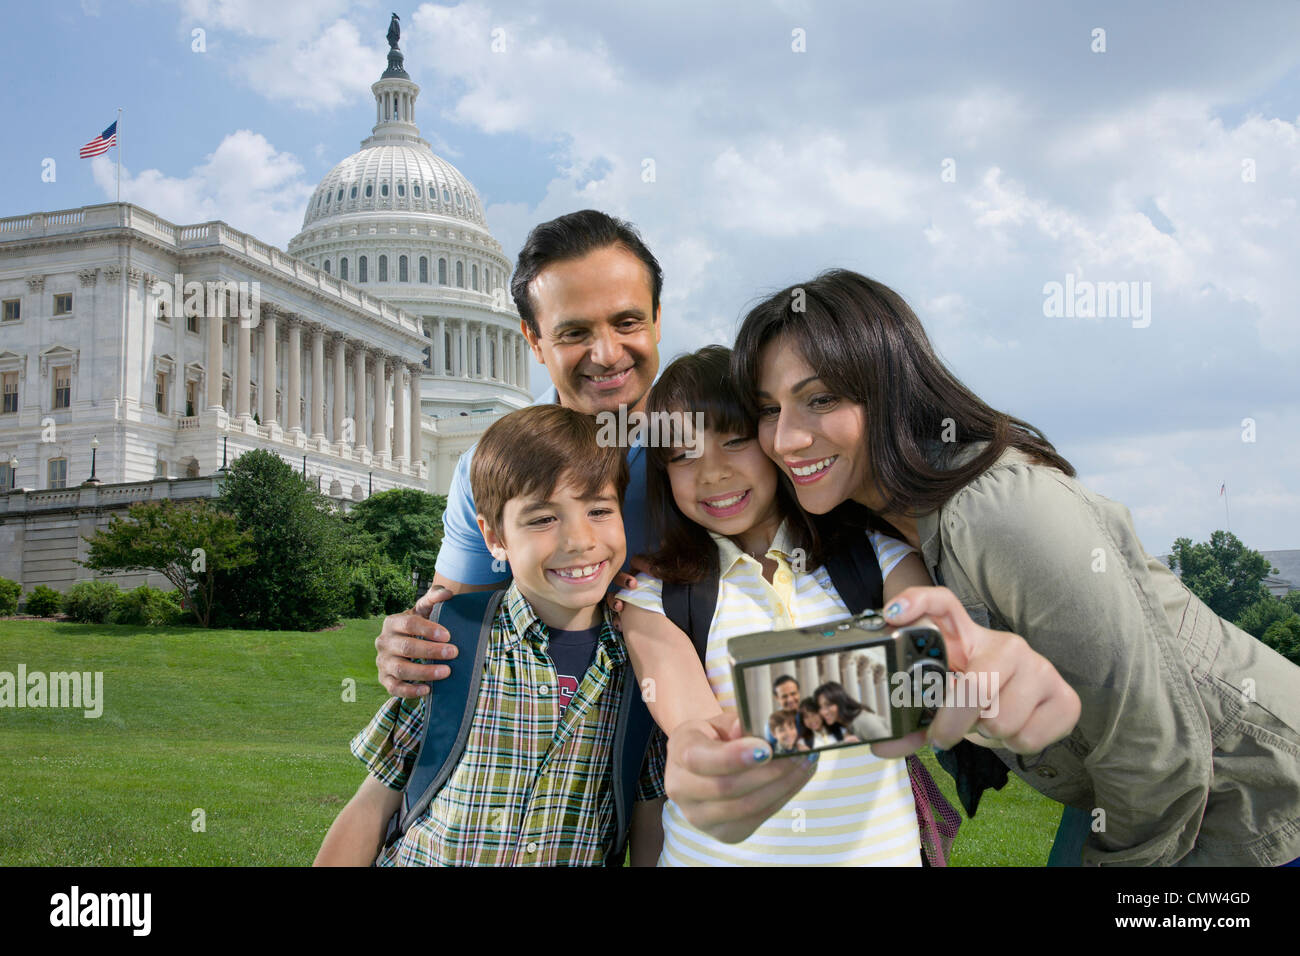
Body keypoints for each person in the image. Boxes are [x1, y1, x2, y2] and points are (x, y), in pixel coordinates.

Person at [709, 267, 1300, 866]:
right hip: (1126, 797)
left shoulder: (998, 511)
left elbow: (1154, 747)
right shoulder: (877, 534)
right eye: (767, 410)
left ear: (889, 389)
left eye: (820, 399)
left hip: (1260, 799)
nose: (784, 439)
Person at [617, 346, 1080, 863]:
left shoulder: (878, 556)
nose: (712, 472)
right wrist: (703, 759)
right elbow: (692, 725)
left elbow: (931, 652)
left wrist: (980, 678)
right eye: (682, 455)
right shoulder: (652, 596)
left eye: (735, 440)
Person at [315, 405, 665, 865]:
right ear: (494, 536)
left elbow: (649, 822)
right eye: (542, 518)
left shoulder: (645, 666)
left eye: (599, 510)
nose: (579, 540)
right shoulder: (452, 643)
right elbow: (372, 804)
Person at [373, 209, 663, 699]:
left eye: (628, 322)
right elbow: (456, 617)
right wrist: (410, 644)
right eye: (574, 333)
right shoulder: (488, 469)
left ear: (657, 321)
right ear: (533, 340)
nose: (608, 354)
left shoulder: (723, 448)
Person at [814, 681, 889, 745]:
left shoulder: (864, 720)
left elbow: (889, 748)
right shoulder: (848, 729)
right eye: (820, 707)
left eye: (828, 705)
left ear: (840, 701)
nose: (823, 712)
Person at [764, 675, 803, 747]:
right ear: (777, 698)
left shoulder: (809, 714)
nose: (790, 700)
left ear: (799, 693)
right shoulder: (771, 724)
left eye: (793, 694)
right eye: (784, 696)